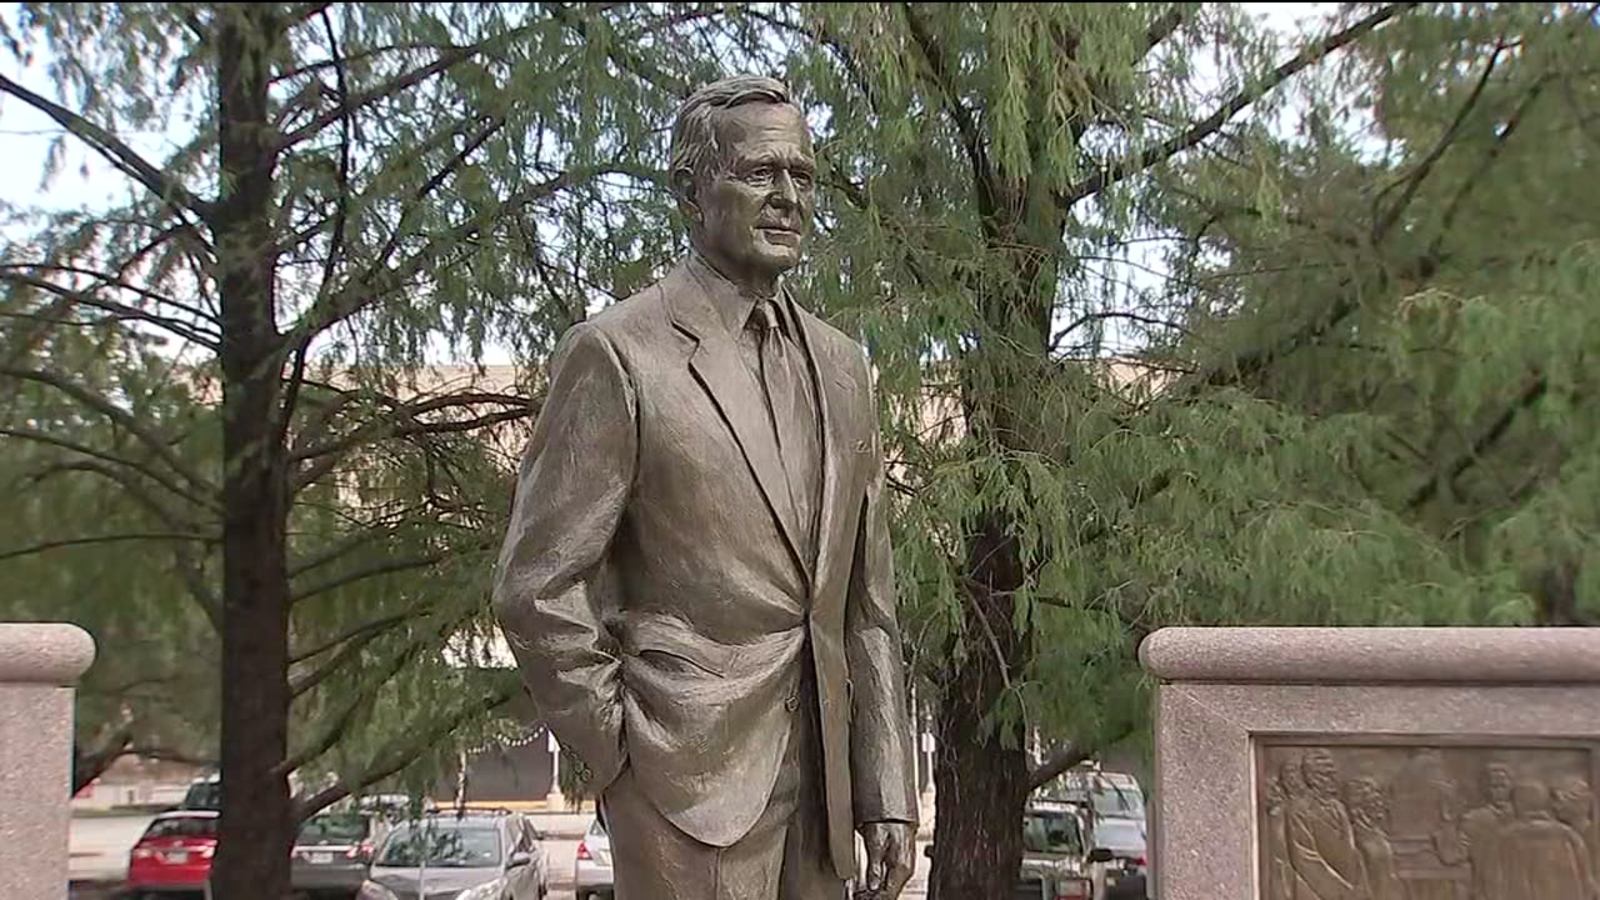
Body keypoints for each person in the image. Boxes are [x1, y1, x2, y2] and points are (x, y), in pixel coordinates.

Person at [492, 74, 919, 900]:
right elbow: (535, 583)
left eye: (803, 176)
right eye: (761, 173)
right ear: (690, 191)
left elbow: (867, 602)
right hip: (681, 782)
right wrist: (622, 746)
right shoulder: (620, 353)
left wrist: (886, 785)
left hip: (823, 795)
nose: (789, 197)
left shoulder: (842, 368)